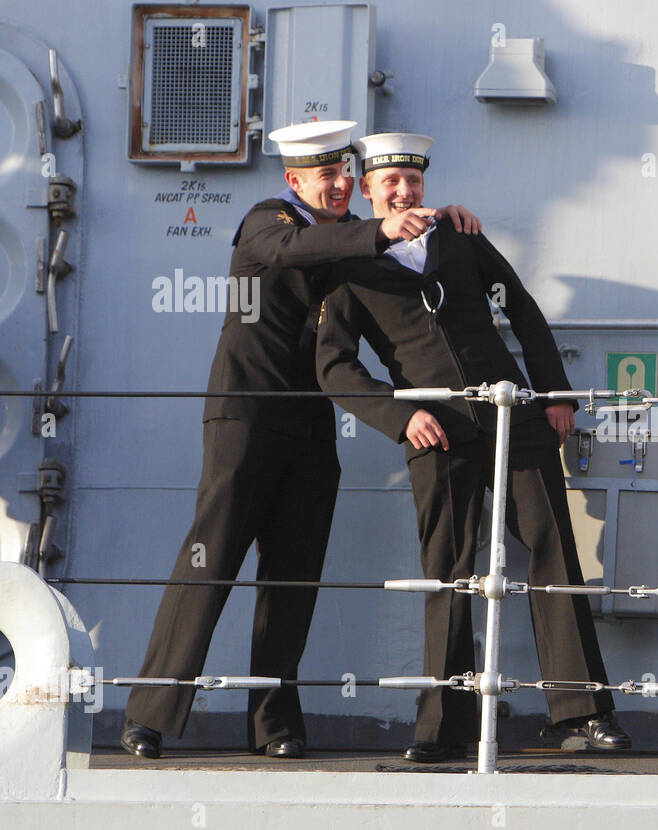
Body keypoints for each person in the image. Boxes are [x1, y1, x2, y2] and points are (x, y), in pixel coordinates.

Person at [120, 121, 482, 760]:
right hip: (247, 419)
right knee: (210, 562)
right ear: (294, 181)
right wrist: (378, 230)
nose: (343, 184)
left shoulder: (346, 247)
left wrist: (443, 221)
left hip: (311, 427)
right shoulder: (267, 221)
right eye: (328, 176)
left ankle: (274, 725)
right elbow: (292, 251)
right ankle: (150, 712)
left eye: (347, 174)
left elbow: (396, 292)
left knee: (292, 580)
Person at [316, 132, 630, 762]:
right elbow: (335, 368)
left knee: (552, 554)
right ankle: (444, 724)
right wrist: (397, 418)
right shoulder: (349, 265)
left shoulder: (461, 236)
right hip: (436, 433)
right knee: (450, 571)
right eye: (391, 185)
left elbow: (524, 309)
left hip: (513, 420)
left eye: (413, 181)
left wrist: (556, 395)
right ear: (371, 191)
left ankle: (581, 711)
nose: (405, 193)